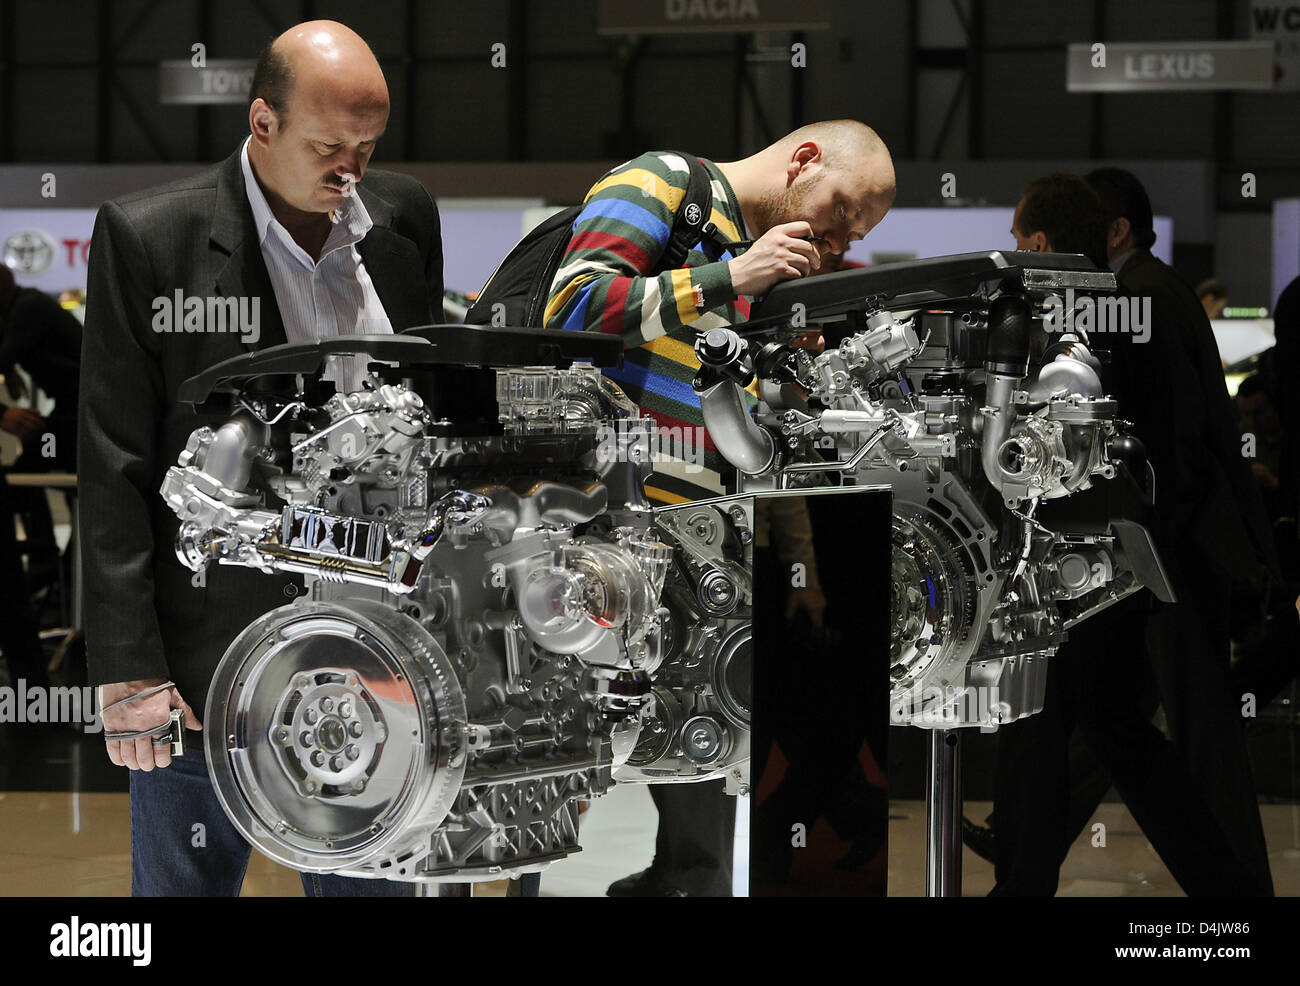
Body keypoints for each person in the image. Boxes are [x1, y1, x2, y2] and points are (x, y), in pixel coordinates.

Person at [79, 20, 444, 897]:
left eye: (365, 146)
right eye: (327, 145)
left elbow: (432, 416)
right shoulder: (149, 239)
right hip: (212, 663)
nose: (348, 169)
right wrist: (129, 667)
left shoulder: (401, 220)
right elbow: (115, 463)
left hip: (381, 655)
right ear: (262, 123)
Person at [544, 120, 895, 895]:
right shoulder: (665, 183)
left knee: (705, 784)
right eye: (842, 212)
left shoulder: (767, 262)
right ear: (805, 160)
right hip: (599, 548)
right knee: (539, 785)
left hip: (705, 561)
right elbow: (571, 307)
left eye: (857, 234)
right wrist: (728, 280)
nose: (840, 238)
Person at [985, 171, 1274, 896]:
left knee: (1088, 731)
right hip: (1132, 556)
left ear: (1042, 242)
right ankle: (1227, 890)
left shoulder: (1065, 317)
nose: (1013, 249)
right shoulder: (1136, 302)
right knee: (1119, 730)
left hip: (1086, 561)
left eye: (1019, 239)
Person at [0, 265, 82, 598]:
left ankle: (47, 558)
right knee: (31, 466)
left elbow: (6, 352)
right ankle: (50, 557)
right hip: (69, 412)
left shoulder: (29, 306)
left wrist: (9, 366)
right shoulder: (17, 309)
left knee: (33, 461)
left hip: (79, 413)